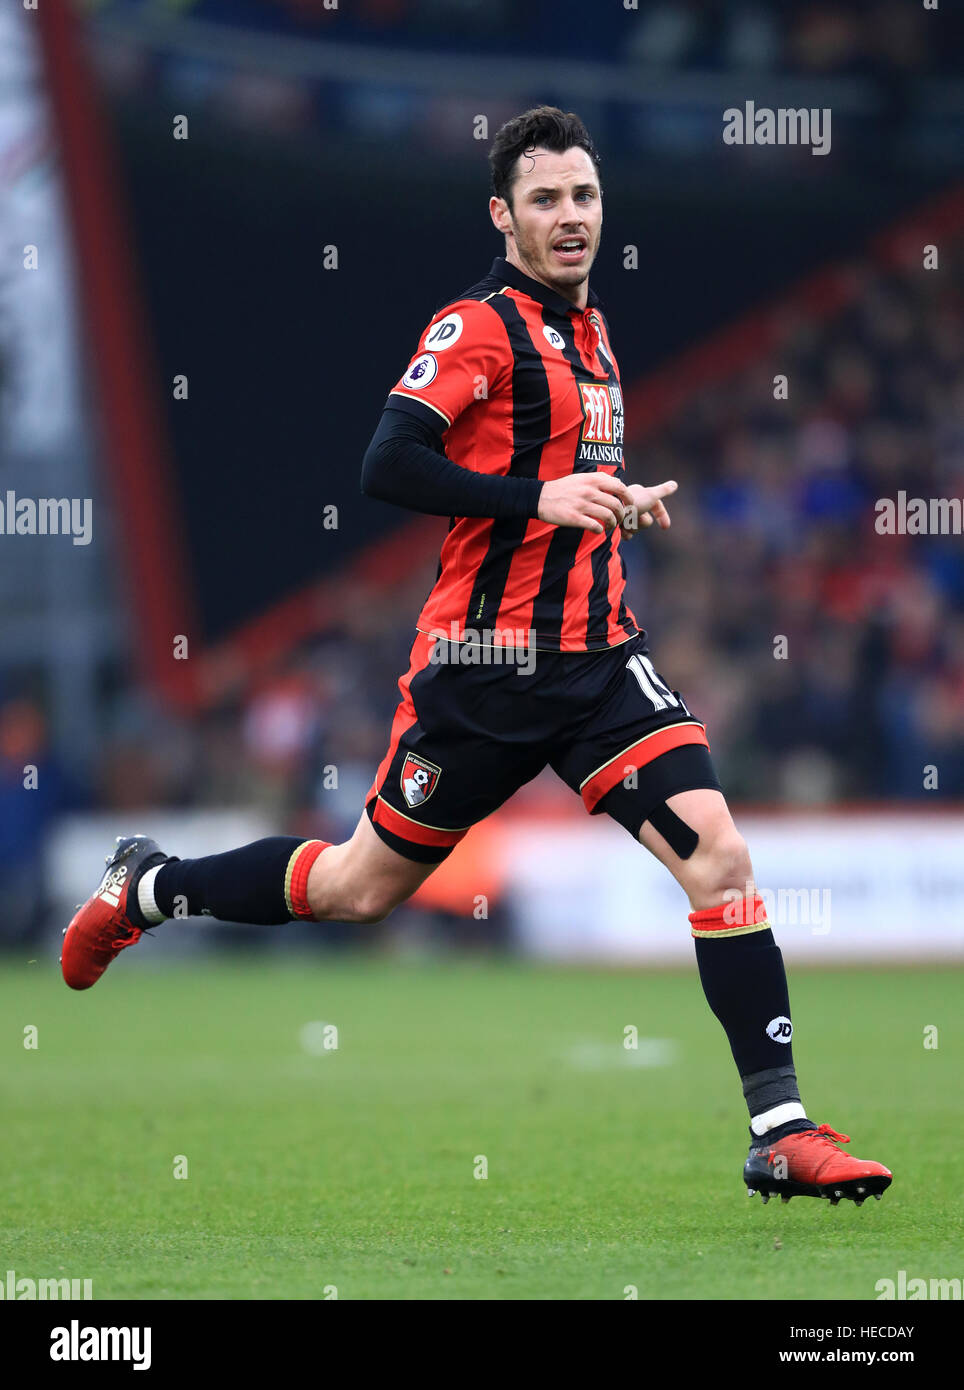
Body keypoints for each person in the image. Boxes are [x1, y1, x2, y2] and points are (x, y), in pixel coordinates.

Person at [62, 106, 890, 1207]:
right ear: (502, 215)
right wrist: (538, 496)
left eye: (584, 196)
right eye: (544, 199)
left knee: (720, 861)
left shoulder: (593, 337)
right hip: (483, 666)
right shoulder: (477, 327)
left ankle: (780, 1128)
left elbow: (559, 487)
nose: (569, 217)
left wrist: (611, 504)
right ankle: (152, 886)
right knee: (359, 888)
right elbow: (388, 463)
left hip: (599, 662)